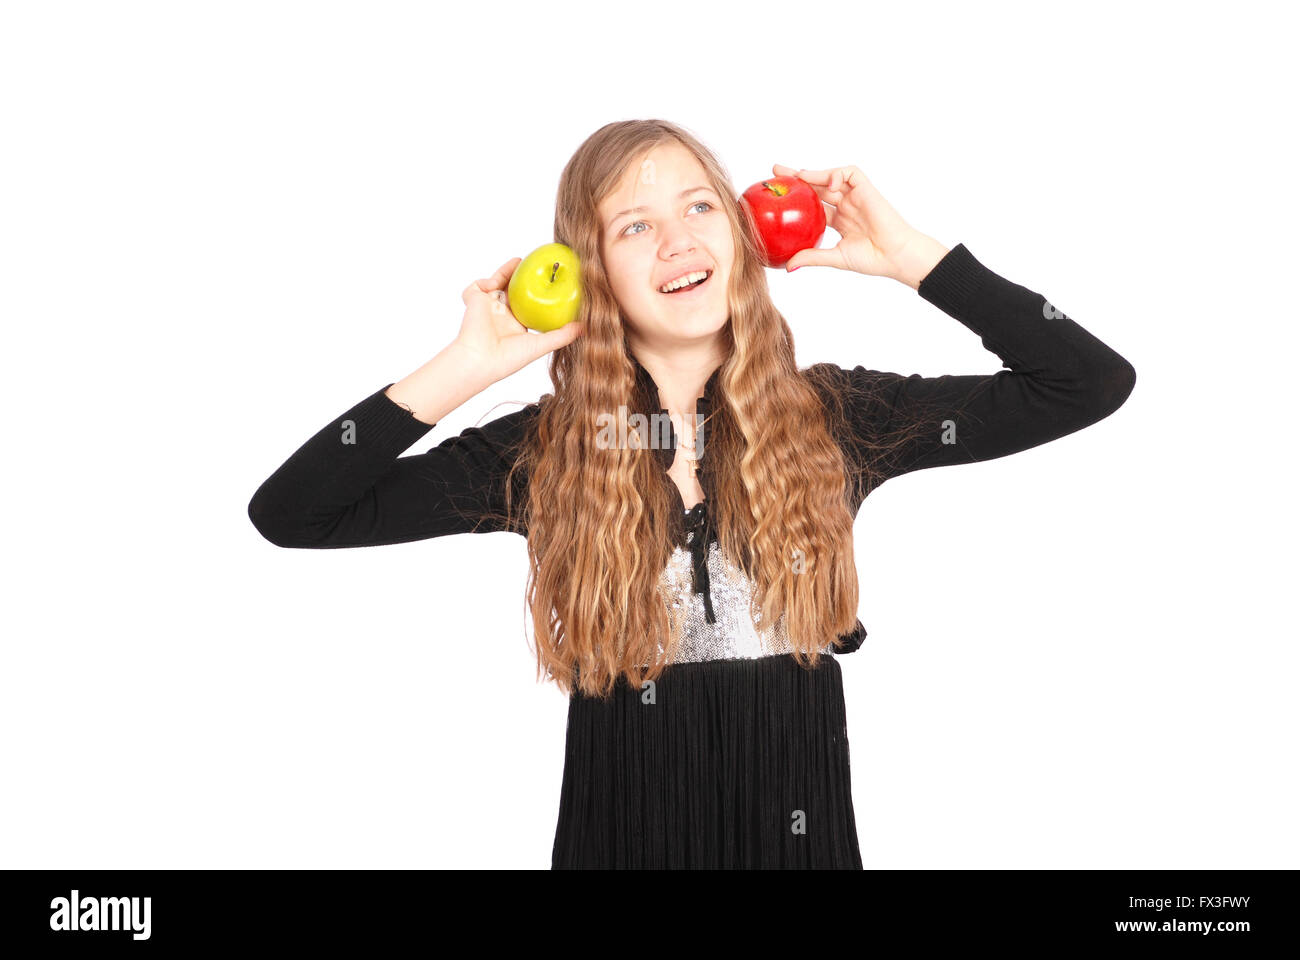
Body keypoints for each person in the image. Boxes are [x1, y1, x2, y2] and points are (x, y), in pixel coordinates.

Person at [247, 119, 1136, 869]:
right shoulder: (543, 451)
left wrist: (913, 259)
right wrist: (464, 367)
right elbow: (293, 512)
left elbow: (1087, 380)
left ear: (743, 238)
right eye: (633, 226)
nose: (677, 242)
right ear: (587, 272)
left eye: (700, 208)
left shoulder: (837, 418)